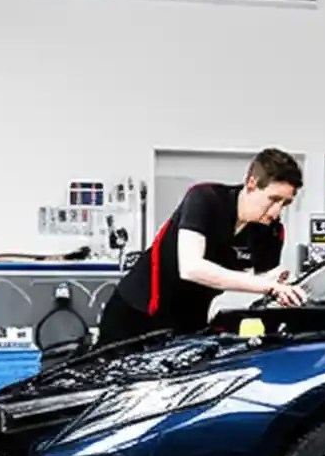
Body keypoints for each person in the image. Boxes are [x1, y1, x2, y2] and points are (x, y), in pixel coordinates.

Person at [94, 148, 309, 346]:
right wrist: (268, 286)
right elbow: (191, 268)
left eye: (285, 204)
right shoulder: (206, 199)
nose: (277, 212)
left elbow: (266, 280)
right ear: (251, 183)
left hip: (189, 321)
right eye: (273, 199)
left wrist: (283, 286)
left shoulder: (271, 231)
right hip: (137, 312)